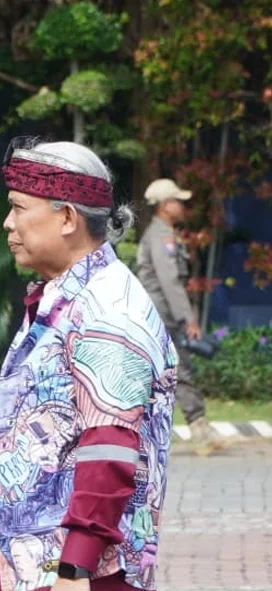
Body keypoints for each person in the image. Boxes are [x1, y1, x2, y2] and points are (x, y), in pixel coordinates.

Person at [0, 137, 176, 591]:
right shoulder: (67, 295)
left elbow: (110, 448)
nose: (9, 224)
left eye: (20, 209)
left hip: (65, 567)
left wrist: (75, 569)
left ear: (67, 218)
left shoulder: (107, 309)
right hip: (41, 560)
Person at [136, 178, 223, 453]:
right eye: (178, 201)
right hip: (162, 315)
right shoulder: (161, 237)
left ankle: (191, 426)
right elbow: (170, 281)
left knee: (162, 371)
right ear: (165, 205)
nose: (183, 206)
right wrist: (188, 319)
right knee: (180, 367)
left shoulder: (161, 234)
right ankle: (200, 428)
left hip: (158, 315)